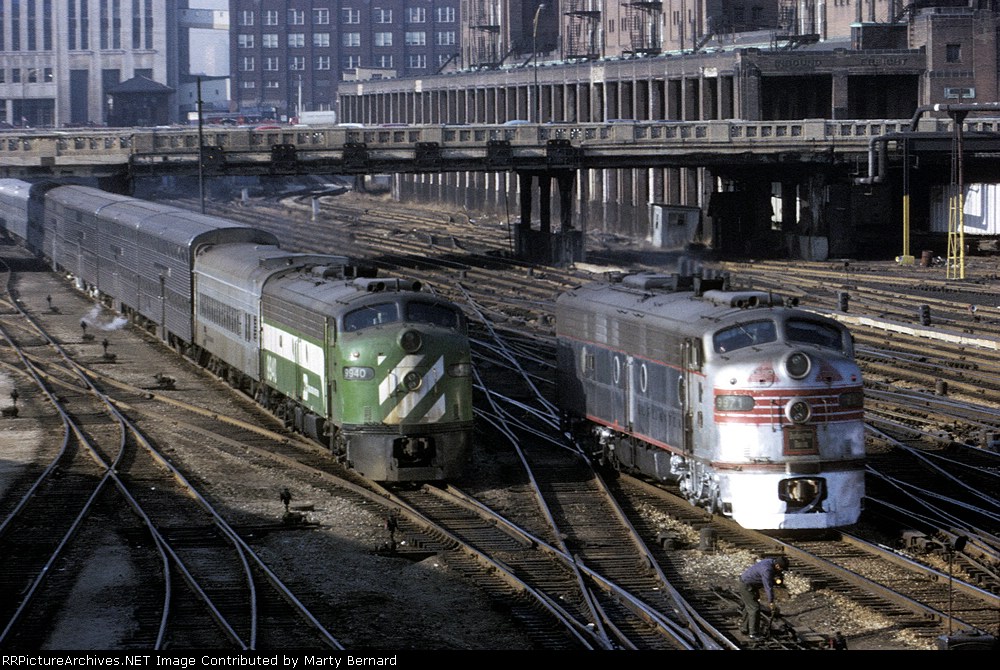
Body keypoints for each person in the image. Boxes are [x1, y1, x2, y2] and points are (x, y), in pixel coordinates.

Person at [738, 555, 788, 639]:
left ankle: (744, 628)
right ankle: (753, 633)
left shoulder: (770, 561)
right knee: (754, 608)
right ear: (777, 566)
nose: (781, 571)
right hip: (746, 586)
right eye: (781, 569)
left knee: (749, 606)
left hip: (751, 585)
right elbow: (768, 587)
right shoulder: (767, 570)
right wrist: (771, 602)